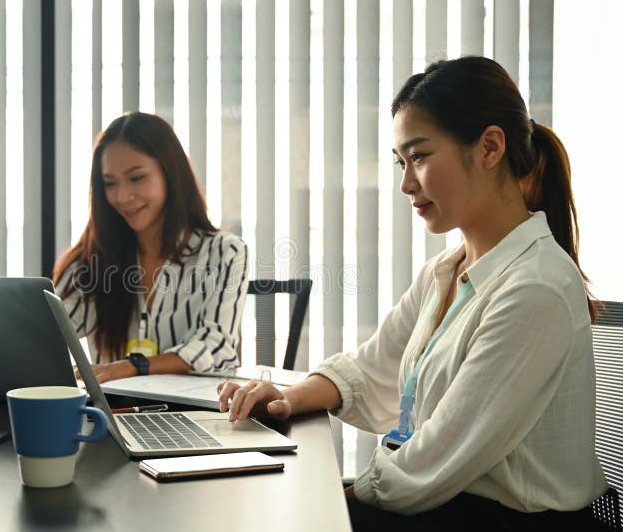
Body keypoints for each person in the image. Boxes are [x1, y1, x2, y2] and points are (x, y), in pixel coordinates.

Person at [217, 56, 607, 530]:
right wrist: (286, 397)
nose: (406, 183)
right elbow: (373, 370)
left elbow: (438, 456)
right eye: (401, 162)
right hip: (444, 501)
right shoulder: (445, 270)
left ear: (489, 147)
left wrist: (328, 496)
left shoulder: (536, 287)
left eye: (419, 156)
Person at [54, 112, 248, 383]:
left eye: (137, 178)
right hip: (112, 415)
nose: (122, 196)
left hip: (196, 415)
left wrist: (132, 366)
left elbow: (216, 346)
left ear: (170, 173)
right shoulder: (92, 258)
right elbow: (50, 333)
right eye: (110, 183)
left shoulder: (223, 252)